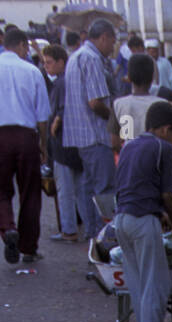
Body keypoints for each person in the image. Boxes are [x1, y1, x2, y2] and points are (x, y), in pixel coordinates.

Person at [113, 99, 172, 322]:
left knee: (138, 285)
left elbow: (131, 187)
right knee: (156, 286)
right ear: (166, 129)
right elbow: (167, 194)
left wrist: (161, 213)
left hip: (121, 220)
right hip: (143, 222)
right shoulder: (162, 147)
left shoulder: (129, 146)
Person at [63, 18, 117, 243]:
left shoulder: (76, 56)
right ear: (103, 37)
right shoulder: (92, 59)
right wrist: (118, 124)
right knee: (104, 189)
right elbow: (95, 103)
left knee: (88, 188)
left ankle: (93, 236)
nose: (113, 47)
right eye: (112, 42)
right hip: (96, 136)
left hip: (81, 136)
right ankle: (103, 240)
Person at [0, 25, 49, 263]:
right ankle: (28, 246)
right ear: (20, 45)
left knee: (1, 190)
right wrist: (43, 146)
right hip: (26, 136)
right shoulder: (31, 71)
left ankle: (8, 227)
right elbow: (42, 116)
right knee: (30, 192)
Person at [43, 43, 85, 242]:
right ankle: (90, 228)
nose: (46, 66)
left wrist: (54, 126)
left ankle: (69, 230)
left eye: (49, 62)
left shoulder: (62, 82)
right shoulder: (68, 79)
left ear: (61, 61)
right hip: (75, 143)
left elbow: (61, 111)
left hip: (63, 144)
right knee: (81, 189)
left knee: (65, 190)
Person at [109, 53, 157, 147]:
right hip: (156, 157)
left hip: (129, 157)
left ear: (129, 78)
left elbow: (114, 142)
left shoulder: (119, 105)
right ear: (152, 77)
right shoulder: (162, 104)